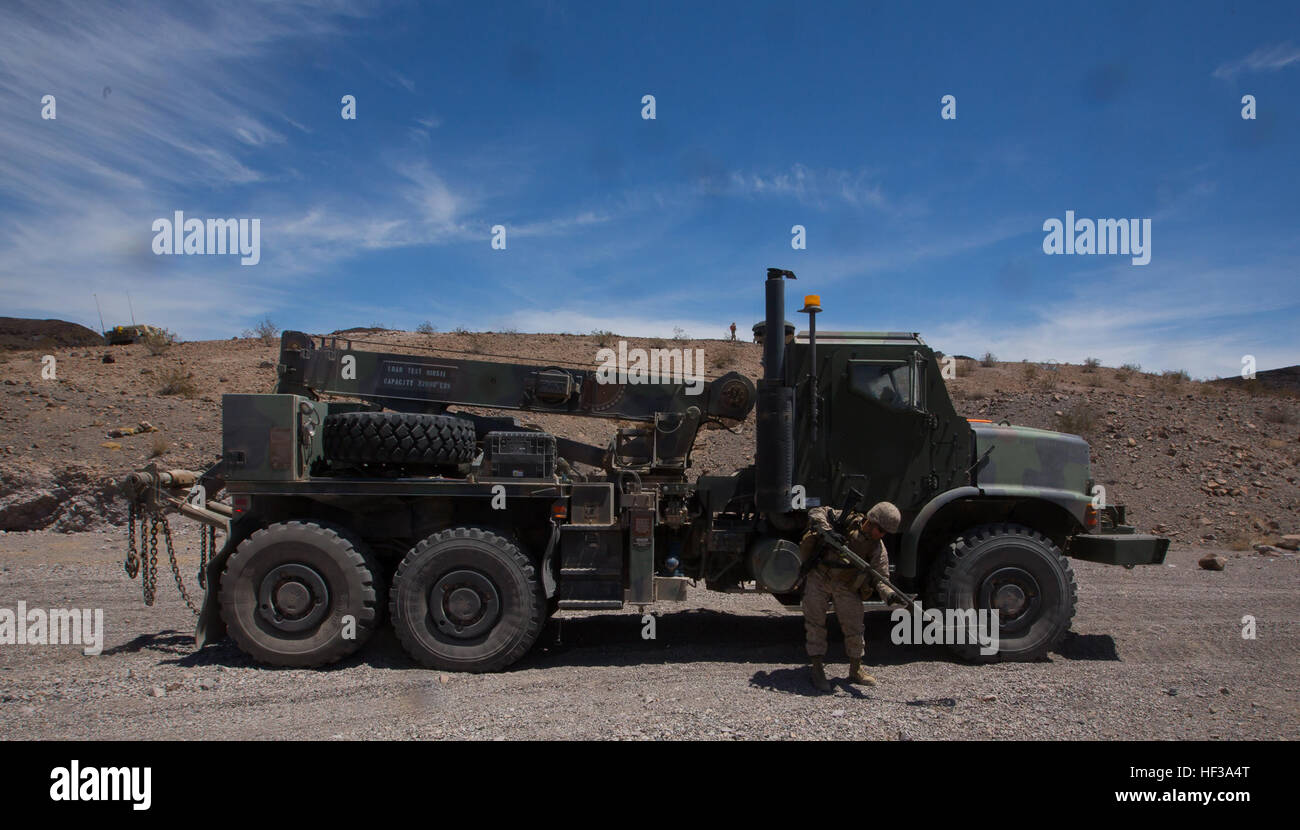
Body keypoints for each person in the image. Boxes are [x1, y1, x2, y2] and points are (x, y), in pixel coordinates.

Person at [799, 501, 903, 691]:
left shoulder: (877, 547)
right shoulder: (844, 519)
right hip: (820, 576)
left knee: (854, 626)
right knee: (815, 623)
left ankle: (855, 669)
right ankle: (817, 668)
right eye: (881, 530)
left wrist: (889, 595)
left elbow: (881, 577)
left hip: (845, 585)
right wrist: (828, 531)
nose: (882, 535)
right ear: (871, 521)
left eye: (885, 533)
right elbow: (816, 511)